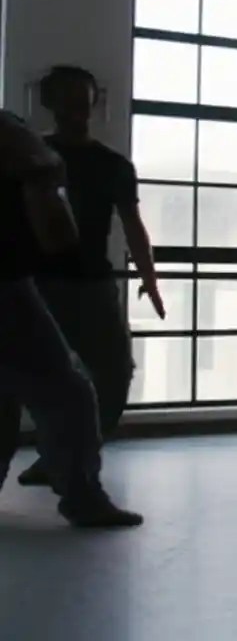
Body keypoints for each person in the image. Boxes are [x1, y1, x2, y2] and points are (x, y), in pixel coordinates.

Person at [14, 65, 164, 488]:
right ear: (50, 103)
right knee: (39, 376)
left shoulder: (112, 165)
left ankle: (67, 453)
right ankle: (60, 455)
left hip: (93, 282)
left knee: (115, 370)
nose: (77, 108)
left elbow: (133, 224)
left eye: (84, 98)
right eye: (68, 99)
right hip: (36, 283)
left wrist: (149, 278)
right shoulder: (30, 157)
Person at [0, 109, 142, 527]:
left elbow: (129, 224)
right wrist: (45, 176)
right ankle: (82, 495)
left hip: (19, 279)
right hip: (9, 283)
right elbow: (58, 236)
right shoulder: (20, 143)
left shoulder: (106, 162)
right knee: (66, 390)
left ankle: (77, 487)